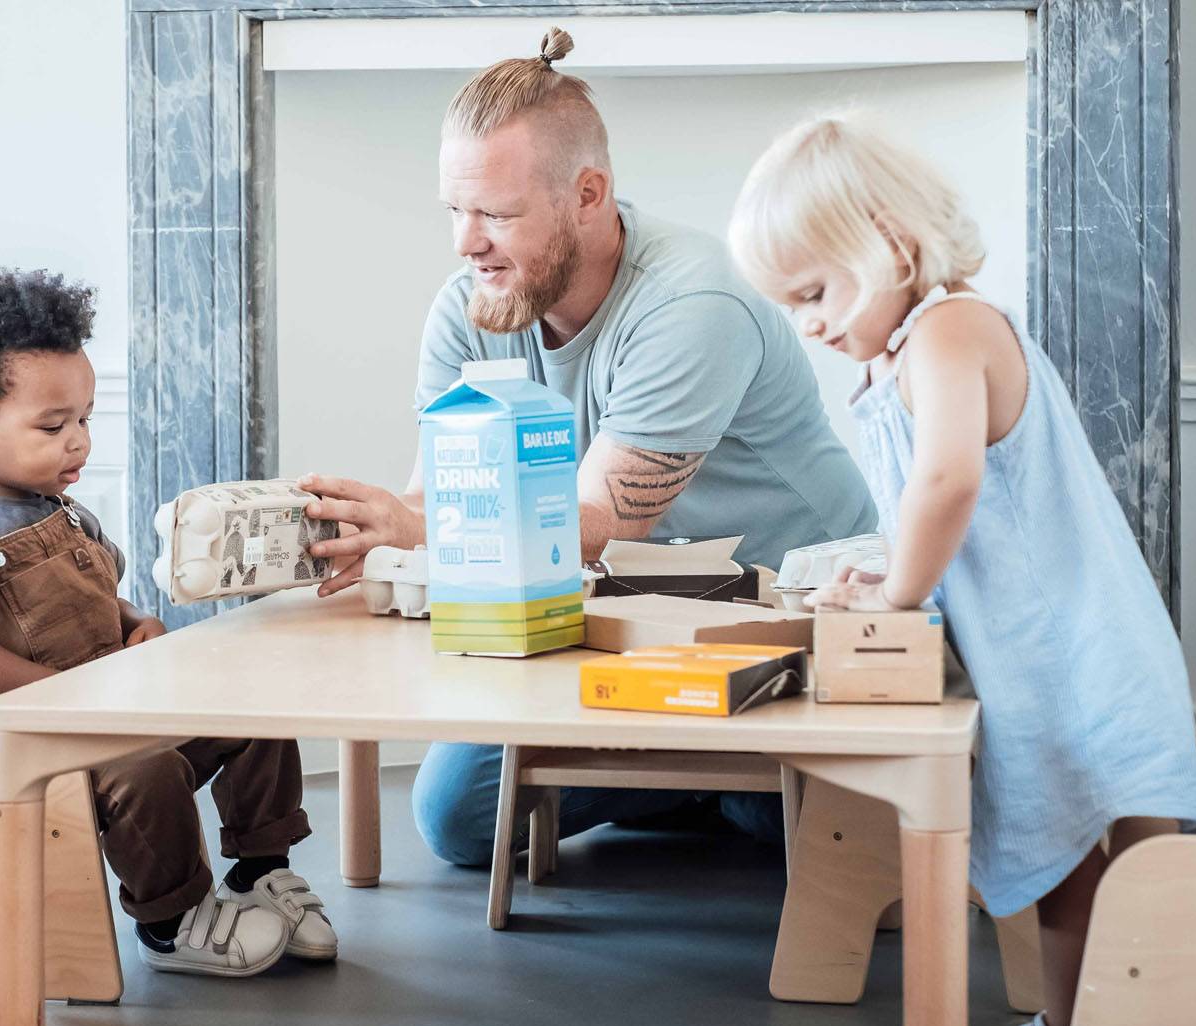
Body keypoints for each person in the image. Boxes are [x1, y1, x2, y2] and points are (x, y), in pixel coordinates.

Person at [301, 29, 876, 866]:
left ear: (588, 194)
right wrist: (371, 528)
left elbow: (604, 523)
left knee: (777, 824)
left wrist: (413, 528)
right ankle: (699, 768)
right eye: (456, 211)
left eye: (495, 214)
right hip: (613, 613)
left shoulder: (694, 302)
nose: (466, 242)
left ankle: (710, 772)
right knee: (457, 820)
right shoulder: (471, 307)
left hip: (775, 610)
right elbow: (430, 506)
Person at [728, 115, 1196, 1026]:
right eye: (791, 305)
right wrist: (890, 569)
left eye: (816, 292)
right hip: (1047, 654)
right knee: (1088, 872)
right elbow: (930, 509)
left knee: (1117, 867)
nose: (810, 325)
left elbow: (948, 484)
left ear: (893, 247)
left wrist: (901, 594)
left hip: (1077, 654)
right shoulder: (900, 355)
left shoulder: (950, 330)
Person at [0, 266, 337, 977]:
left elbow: (102, 596)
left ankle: (261, 871)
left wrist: (137, 623)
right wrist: (61, 696)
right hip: (29, 741)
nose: (79, 442)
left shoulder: (60, 510)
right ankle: (172, 920)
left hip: (105, 712)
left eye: (84, 420)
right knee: (146, 766)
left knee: (252, 710)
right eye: (52, 425)